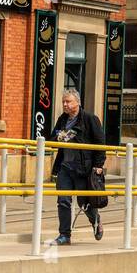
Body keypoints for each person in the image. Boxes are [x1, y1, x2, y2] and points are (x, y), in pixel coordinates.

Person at [48, 89, 106, 246]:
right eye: (63, 102)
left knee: (84, 202)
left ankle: (96, 221)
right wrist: (60, 136)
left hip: (83, 168)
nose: (65, 105)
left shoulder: (90, 119)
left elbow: (100, 143)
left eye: (68, 102)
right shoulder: (63, 119)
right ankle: (64, 235)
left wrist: (98, 165)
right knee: (63, 201)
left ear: (77, 102)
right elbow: (53, 137)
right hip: (65, 167)